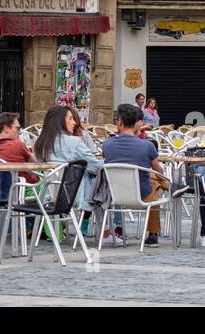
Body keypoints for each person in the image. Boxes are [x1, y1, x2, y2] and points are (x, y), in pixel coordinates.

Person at [100, 103, 167, 247]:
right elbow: (158, 170)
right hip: (142, 194)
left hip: (115, 194)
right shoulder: (148, 146)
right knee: (156, 181)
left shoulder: (106, 145)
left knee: (153, 179)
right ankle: (153, 234)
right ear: (136, 123)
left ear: (120, 122)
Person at [32, 105, 102, 223]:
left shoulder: (41, 143)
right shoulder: (74, 142)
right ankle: (103, 231)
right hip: (73, 195)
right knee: (103, 184)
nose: (74, 122)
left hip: (47, 194)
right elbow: (95, 166)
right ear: (60, 121)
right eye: (70, 118)